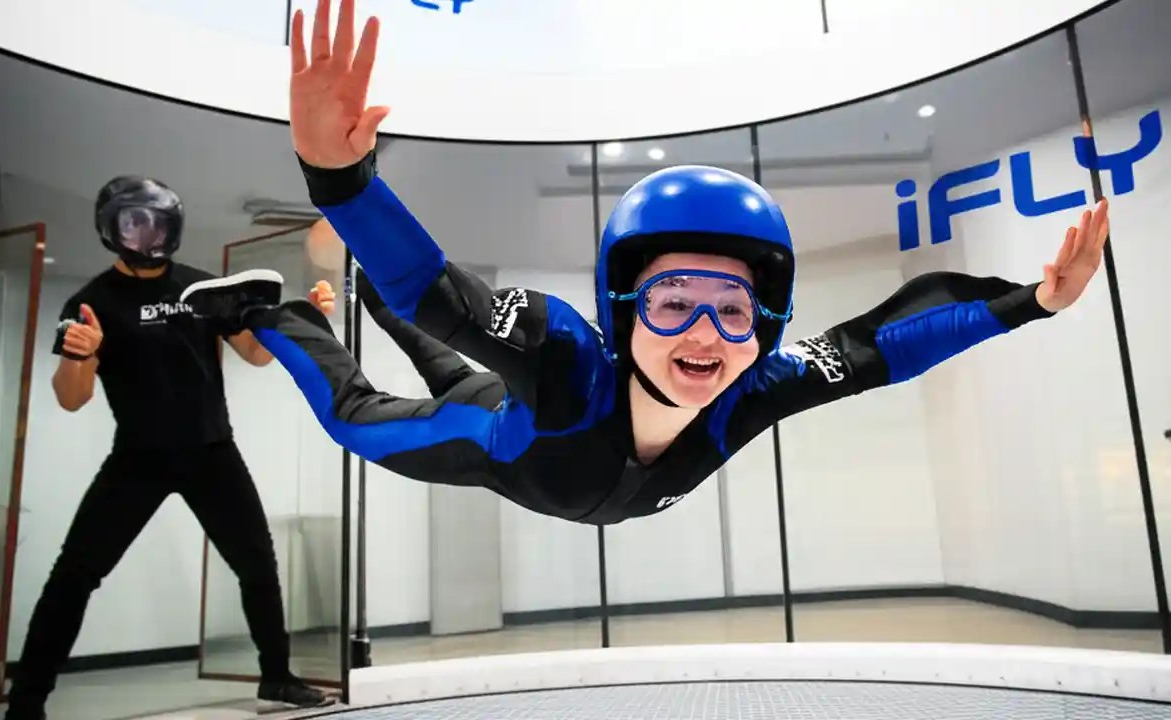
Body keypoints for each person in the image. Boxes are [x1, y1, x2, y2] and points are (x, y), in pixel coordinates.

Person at [183, 0, 1111, 525]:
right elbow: (436, 293)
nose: (706, 336)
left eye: (734, 311)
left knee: (451, 360)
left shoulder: (755, 386)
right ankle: (279, 314)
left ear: (765, 329)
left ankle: (340, 286)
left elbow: (884, 346)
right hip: (494, 443)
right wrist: (341, 183)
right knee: (366, 416)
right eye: (673, 303)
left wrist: (1030, 300)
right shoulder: (563, 358)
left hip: (519, 410)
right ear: (622, 313)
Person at [5, 176, 336, 719]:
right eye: (134, 221)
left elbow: (255, 354)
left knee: (257, 564)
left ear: (173, 228)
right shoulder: (90, 303)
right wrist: (78, 355)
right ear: (111, 228)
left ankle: (277, 679)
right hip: (137, 457)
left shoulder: (202, 289)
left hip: (211, 451)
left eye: (157, 222)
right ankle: (27, 702)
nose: (147, 233)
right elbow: (72, 399)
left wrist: (306, 321)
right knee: (75, 575)